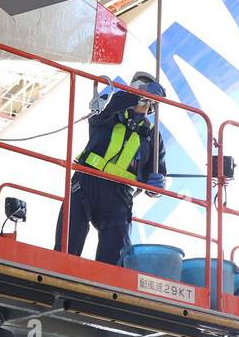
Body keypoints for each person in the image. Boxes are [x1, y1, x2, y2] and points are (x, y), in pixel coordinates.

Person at [54, 71, 167, 267]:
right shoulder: (108, 110)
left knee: (113, 258)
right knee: (66, 247)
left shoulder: (151, 136)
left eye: (144, 91)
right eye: (137, 88)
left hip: (118, 196)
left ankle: (101, 293)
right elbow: (105, 110)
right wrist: (135, 94)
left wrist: (156, 187)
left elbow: (155, 177)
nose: (140, 94)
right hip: (85, 183)